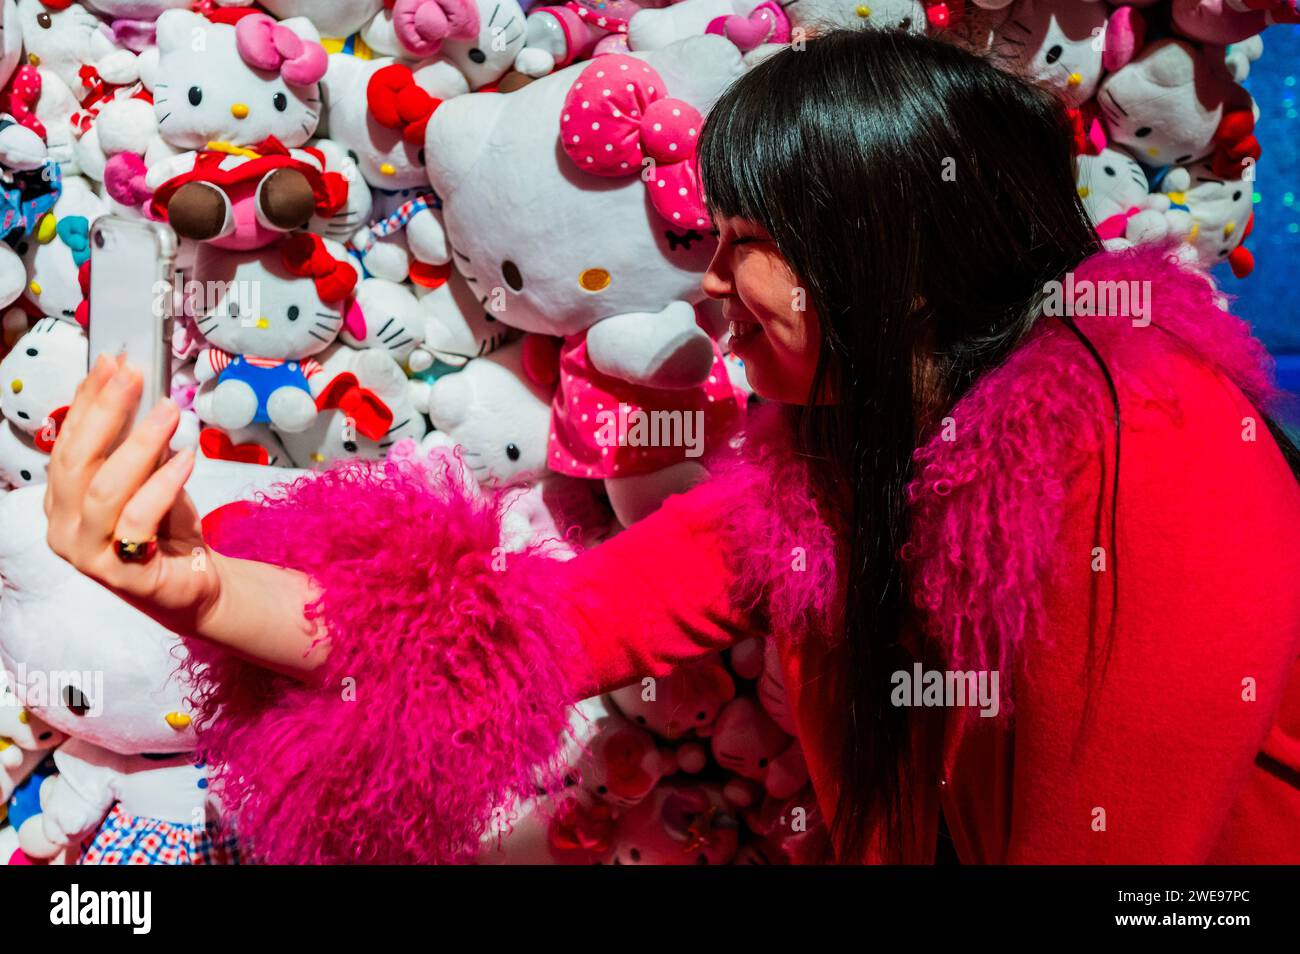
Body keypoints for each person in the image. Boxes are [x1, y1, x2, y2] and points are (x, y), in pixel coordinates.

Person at [44, 29, 1300, 865]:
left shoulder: (1152, 440)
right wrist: (190, 584)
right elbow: (539, 623)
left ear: (886, 254)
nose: (704, 292)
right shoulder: (821, 465)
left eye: (737, 237)